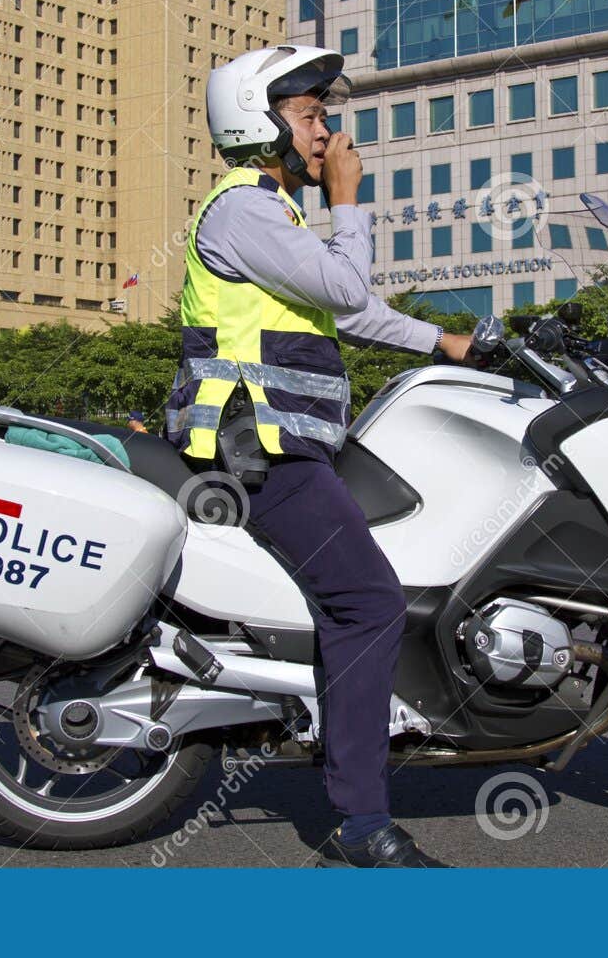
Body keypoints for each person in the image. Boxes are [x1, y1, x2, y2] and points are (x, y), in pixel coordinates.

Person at [165, 45, 471, 868]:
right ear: (258, 124)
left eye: (322, 116)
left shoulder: (268, 212)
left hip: (284, 444)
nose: (326, 131)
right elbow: (345, 288)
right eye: (308, 116)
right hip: (259, 446)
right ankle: (361, 824)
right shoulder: (244, 209)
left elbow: (349, 313)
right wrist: (349, 202)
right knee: (367, 601)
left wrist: (449, 343)